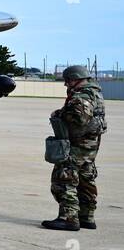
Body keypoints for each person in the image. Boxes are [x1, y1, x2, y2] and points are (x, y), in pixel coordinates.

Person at [43, 65, 107, 231]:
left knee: (64, 178)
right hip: (89, 145)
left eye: (67, 81)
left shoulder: (82, 95)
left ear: (74, 79)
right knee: (86, 179)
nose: (66, 85)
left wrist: (60, 114)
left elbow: (79, 117)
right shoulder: (96, 93)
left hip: (77, 144)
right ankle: (86, 217)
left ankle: (69, 218)